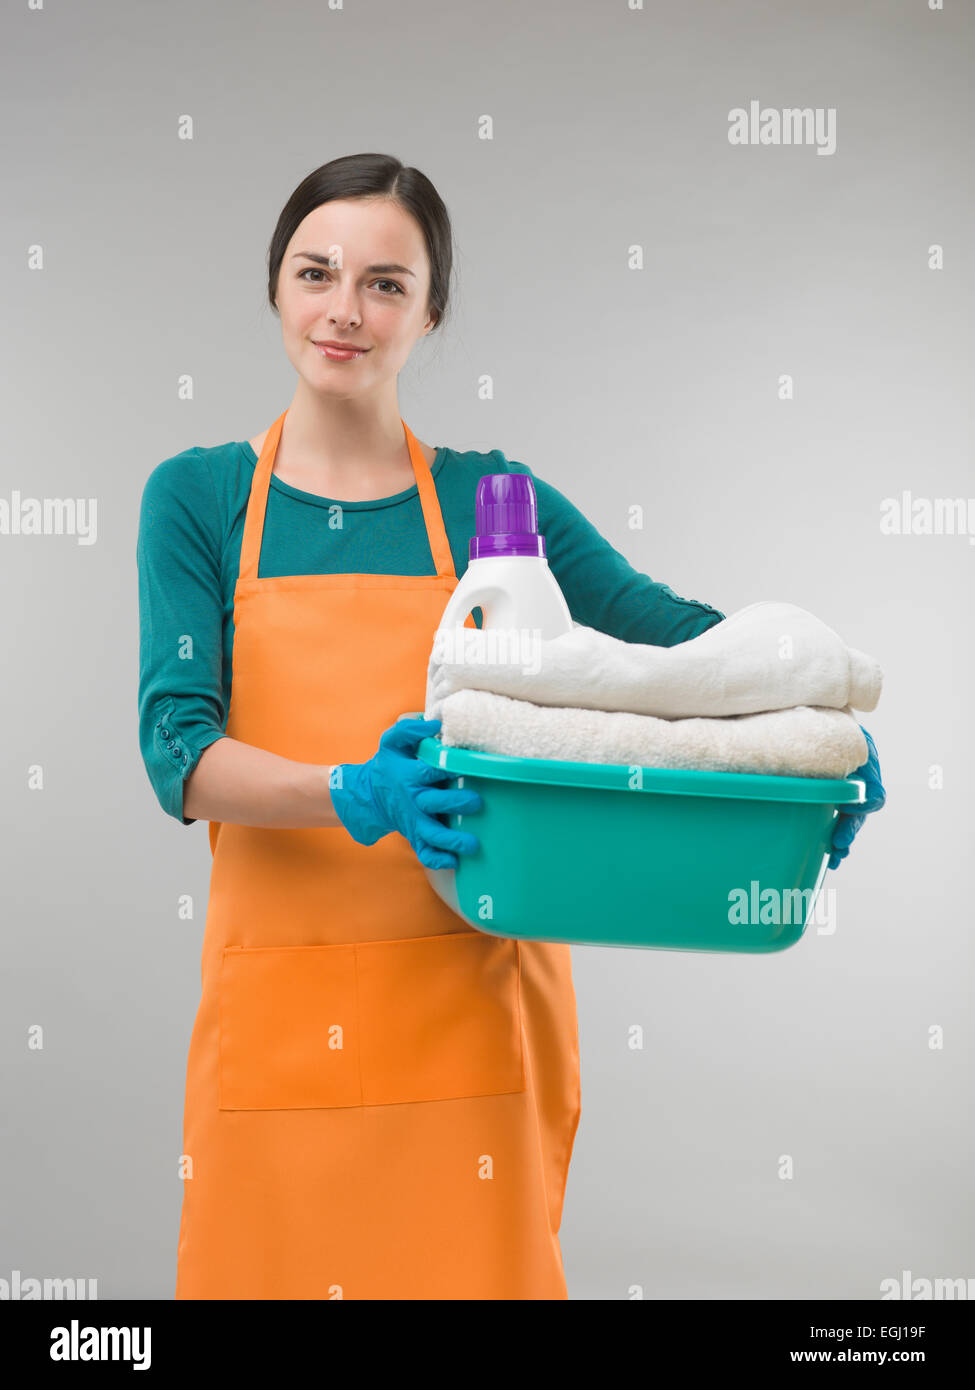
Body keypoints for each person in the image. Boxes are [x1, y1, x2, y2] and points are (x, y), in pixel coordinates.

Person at [137, 153, 883, 1300]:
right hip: (281, 1008)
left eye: (387, 283)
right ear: (275, 287)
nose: (346, 310)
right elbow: (179, 755)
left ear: (431, 310)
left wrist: (811, 742)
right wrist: (354, 793)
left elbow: (686, 651)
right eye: (317, 272)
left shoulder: (501, 510)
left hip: (477, 1007)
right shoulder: (201, 496)